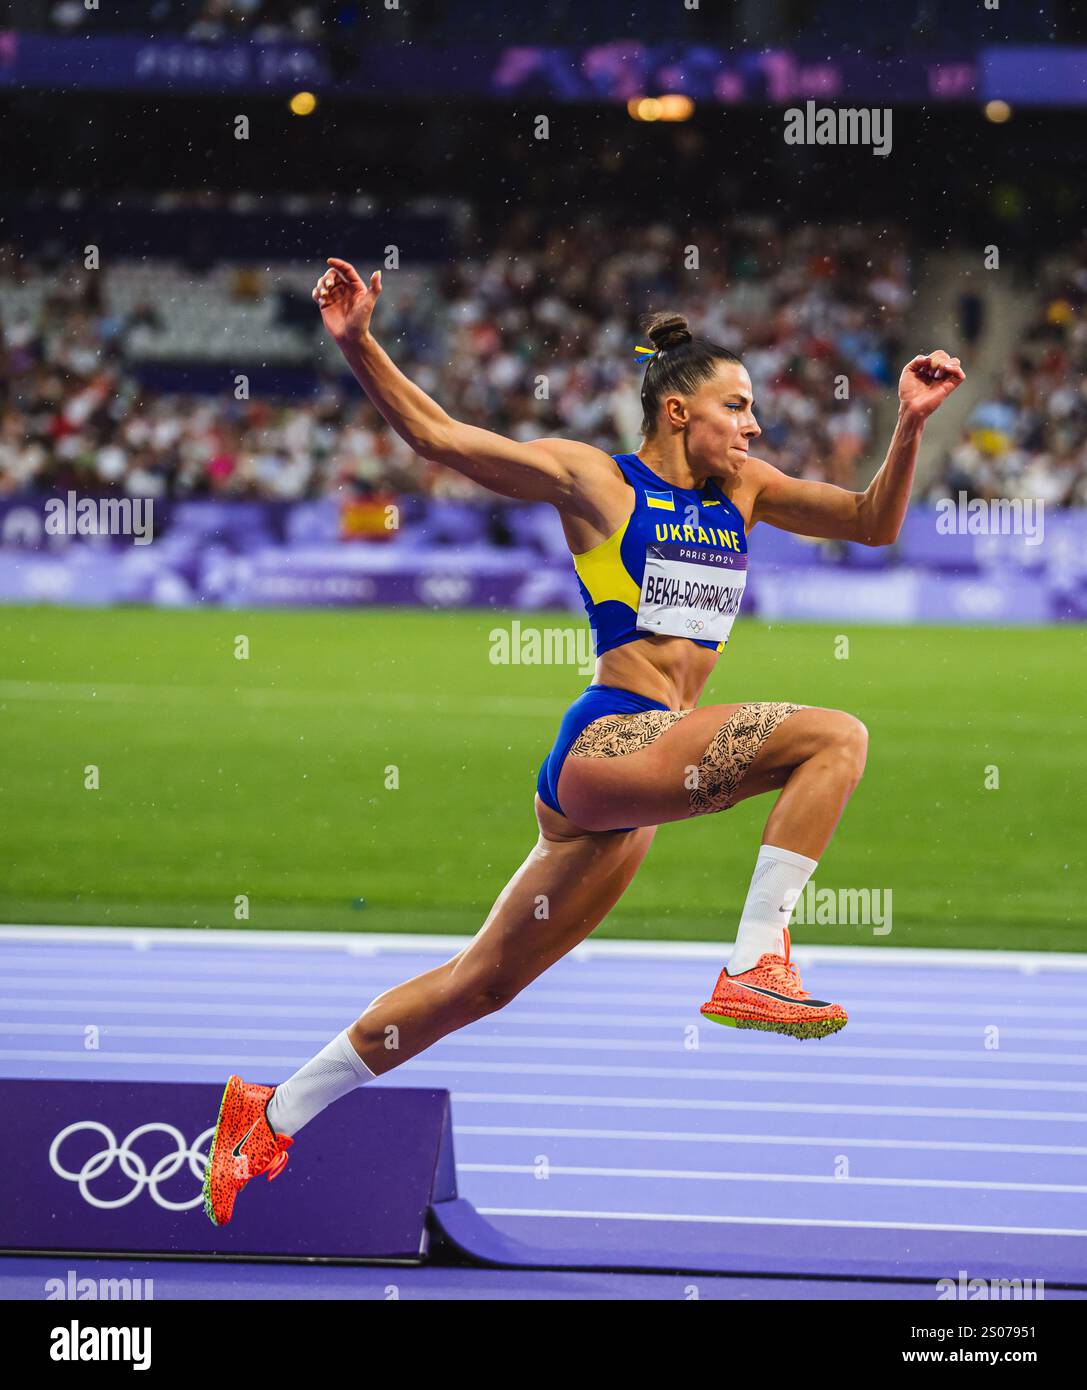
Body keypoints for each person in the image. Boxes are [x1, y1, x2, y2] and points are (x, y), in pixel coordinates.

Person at [203, 257, 965, 1226]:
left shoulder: (747, 490)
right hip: (608, 743)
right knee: (833, 738)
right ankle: (755, 960)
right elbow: (440, 437)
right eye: (737, 406)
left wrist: (906, 423)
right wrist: (357, 342)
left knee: (481, 984)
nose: (755, 424)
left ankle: (269, 1112)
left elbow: (871, 522)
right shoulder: (594, 480)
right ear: (678, 412)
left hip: (632, 788)